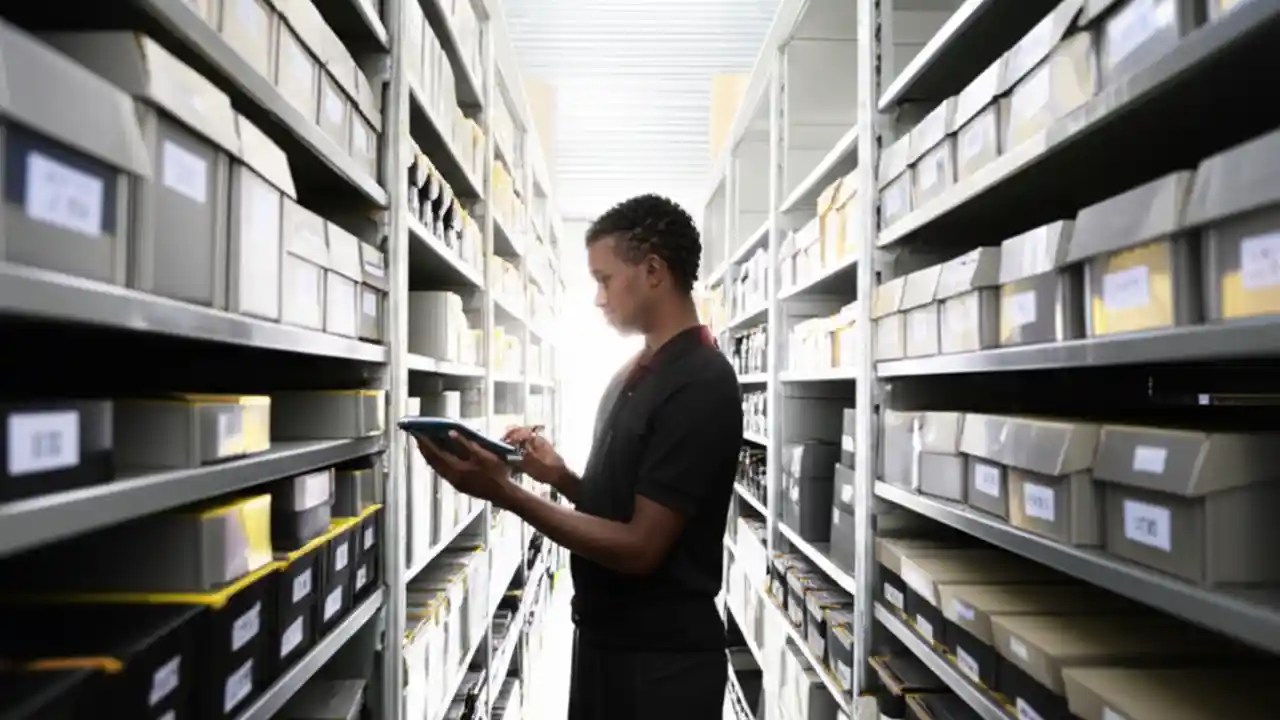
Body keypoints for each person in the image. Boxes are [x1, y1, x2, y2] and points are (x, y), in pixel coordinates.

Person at [414, 194, 743, 719]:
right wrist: (557, 474)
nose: (597, 297)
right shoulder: (636, 372)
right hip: (606, 643)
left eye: (605, 278)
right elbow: (618, 506)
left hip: (662, 669)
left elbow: (640, 547)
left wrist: (507, 493)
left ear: (654, 271)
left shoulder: (702, 382)